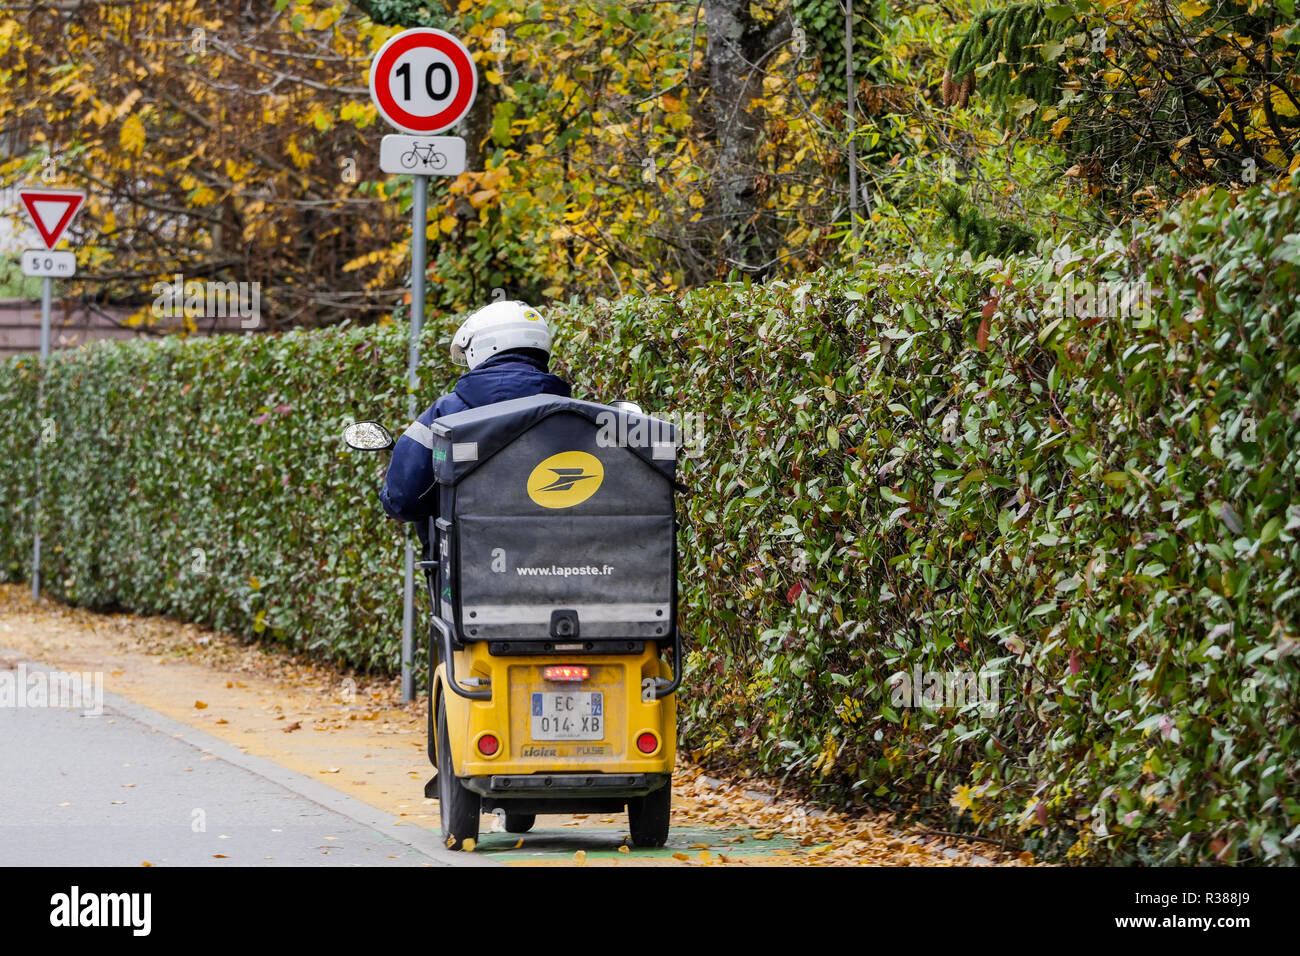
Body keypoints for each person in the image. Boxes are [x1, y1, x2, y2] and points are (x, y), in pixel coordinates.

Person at [380, 300, 570, 554]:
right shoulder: (575, 415)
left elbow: (403, 500)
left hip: (470, 577)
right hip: (565, 568)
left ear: (480, 347)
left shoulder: (442, 414)